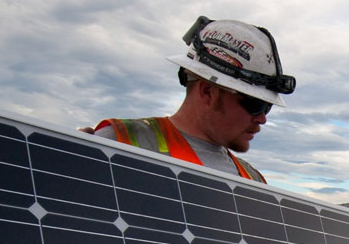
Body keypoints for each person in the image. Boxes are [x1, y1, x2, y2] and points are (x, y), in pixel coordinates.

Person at [92, 17, 295, 183]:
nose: (262, 119)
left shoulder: (254, 181)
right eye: (255, 105)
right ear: (208, 91)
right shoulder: (117, 143)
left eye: (267, 107)